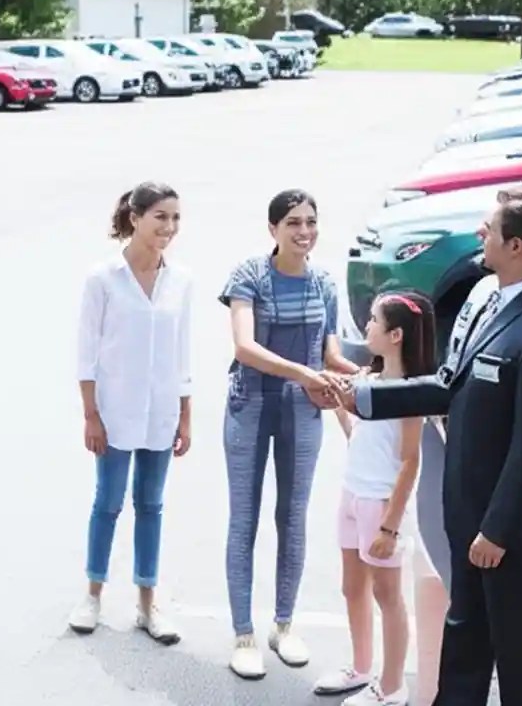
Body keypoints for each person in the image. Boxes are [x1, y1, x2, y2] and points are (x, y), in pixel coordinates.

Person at [340, 183, 522, 706]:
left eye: (489, 228)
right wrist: (361, 396)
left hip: (508, 539)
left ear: (515, 245)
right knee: (463, 653)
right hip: (467, 521)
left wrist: (497, 531)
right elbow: (449, 385)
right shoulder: (485, 298)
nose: (479, 233)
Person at [220, 189, 360, 678]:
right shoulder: (249, 276)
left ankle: (284, 625)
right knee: (245, 519)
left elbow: (330, 356)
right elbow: (245, 347)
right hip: (251, 408)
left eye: (311, 222)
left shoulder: (324, 283)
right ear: (273, 229)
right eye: (294, 223)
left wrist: (368, 378)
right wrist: (304, 373)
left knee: (293, 517)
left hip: (302, 412)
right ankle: (243, 634)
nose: (304, 232)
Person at [68, 181, 193, 645]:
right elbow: (87, 352)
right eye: (160, 216)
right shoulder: (103, 278)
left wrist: (185, 415)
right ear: (135, 218)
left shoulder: (181, 281)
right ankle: (92, 595)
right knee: (108, 502)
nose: (169, 227)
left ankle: (147, 603)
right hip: (115, 411)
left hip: (161, 411)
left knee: (151, 506)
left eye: (175, 218)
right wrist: (90, 415)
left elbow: (182, 353)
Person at [315, 292, 437, 706]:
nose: (366, 326)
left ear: (396, 335)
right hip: (352, 493)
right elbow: (359, 438)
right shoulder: (369, 379)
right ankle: (362, 667)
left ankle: (392, 686)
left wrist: (390, 526)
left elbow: (410, 462)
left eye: (373, 320)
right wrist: (338, 405)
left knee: (388, 596)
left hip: (380, 504)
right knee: (353, 588)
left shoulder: (410, 394)